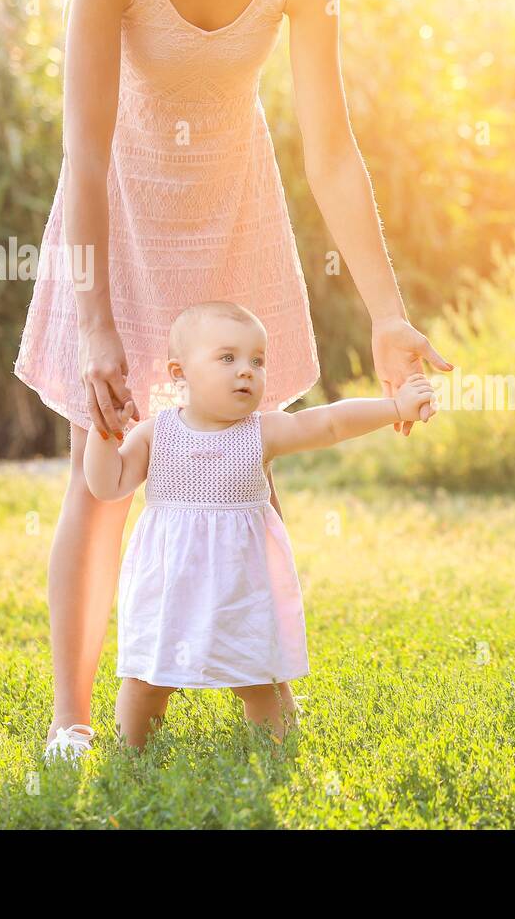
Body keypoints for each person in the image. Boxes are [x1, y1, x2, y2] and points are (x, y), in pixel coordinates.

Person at [13, 0, 450, 760]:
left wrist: (389, 315)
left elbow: (332, 151)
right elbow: (83, 155)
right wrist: (95, 322)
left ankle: (265, 699)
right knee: (98, 468)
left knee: (249, 463)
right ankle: (71, 722)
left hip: (233, 211)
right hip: (123, 214)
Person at [84, 301, 436, 750]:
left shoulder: (261, 432)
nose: (246, 371)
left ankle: (277, 753)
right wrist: (105, 433)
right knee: (147, 680)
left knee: (262, 681)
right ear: (179, 372)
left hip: (242, 587)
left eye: (257, 360)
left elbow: (328, 423)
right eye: (227, 358)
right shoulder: (155, 433)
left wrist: (396, 407)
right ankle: (132, 757)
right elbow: (107, 483)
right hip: (170, 588)